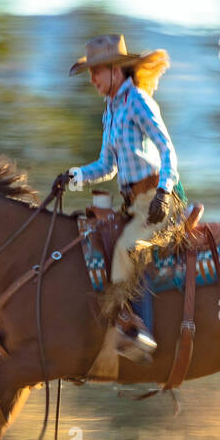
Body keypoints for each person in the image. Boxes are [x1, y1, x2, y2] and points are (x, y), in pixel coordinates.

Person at [53, 34, 183, 363]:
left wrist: (165, 193)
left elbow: (167, 149)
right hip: (131, 204)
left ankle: (142, 332)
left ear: (115, 70)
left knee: (128, 247)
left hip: (157, 201)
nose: (93, 79)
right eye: (91, 73)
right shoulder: (110, 110)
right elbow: (107, 167)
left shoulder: (138, 101)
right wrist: (75, 176)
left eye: (97, 71)